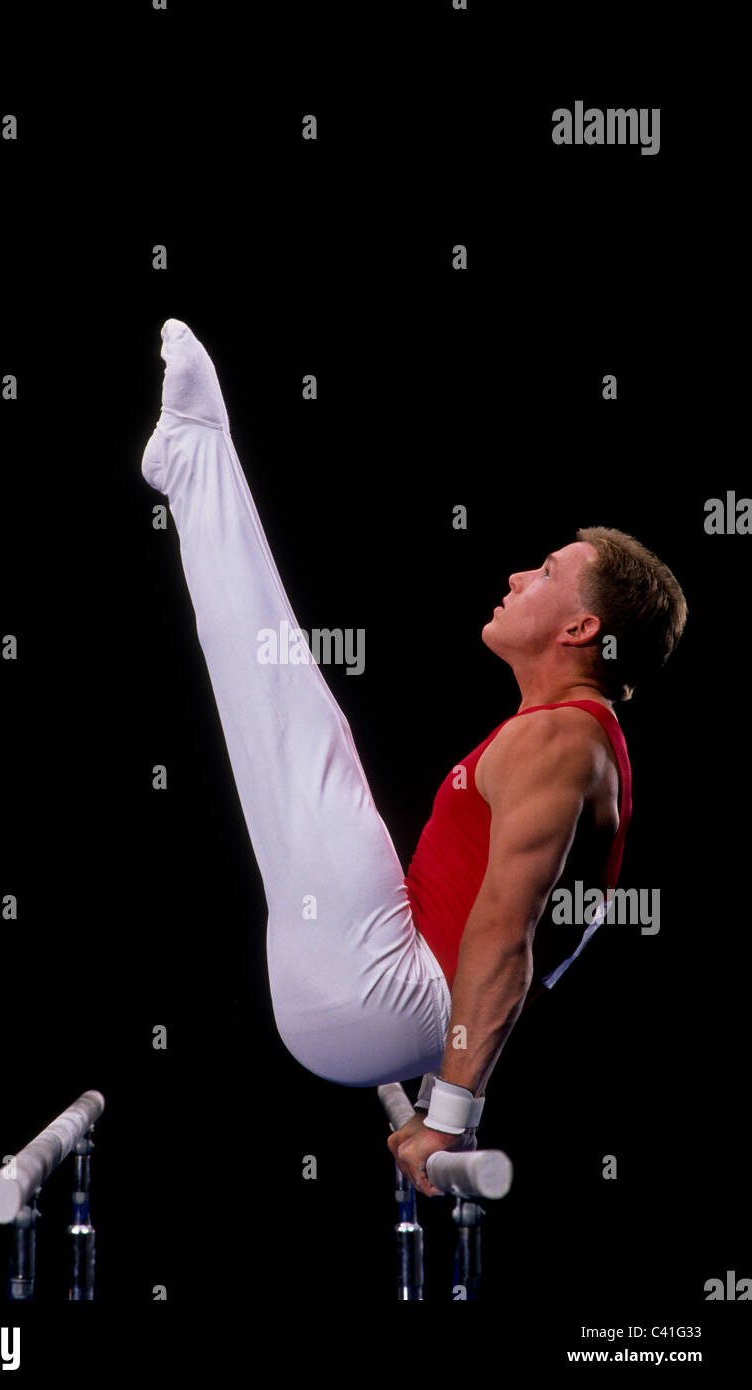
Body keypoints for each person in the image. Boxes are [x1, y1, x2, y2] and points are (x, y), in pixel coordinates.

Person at [141, 320, 687, 1196]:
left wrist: (451, 1113)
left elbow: (508, 935)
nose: (516, 578)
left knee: (297, 726)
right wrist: (437, 1086)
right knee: (297, 738)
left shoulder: (563, 741)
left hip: (385, 997)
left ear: (582, 627)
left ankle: (197, 453)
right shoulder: (573, 742)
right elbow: (551, 949)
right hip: (391, 1013)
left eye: (545, 573)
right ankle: (195, 456)